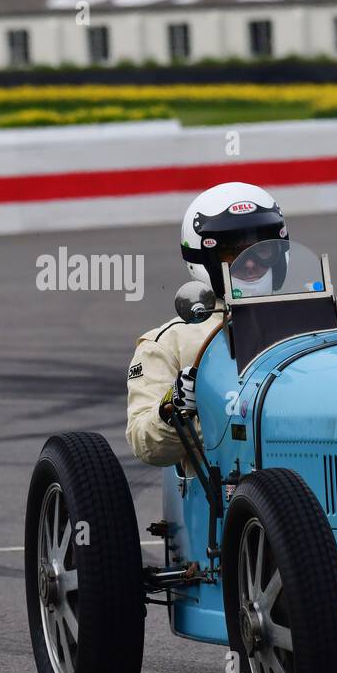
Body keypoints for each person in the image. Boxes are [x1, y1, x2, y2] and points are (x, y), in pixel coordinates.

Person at [125, 182, 286, 467]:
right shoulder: (169, 342)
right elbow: (144, 443)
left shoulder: (310, 322)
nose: (248, 263)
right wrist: (172, 405)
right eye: (231, 253)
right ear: (203, 260)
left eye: (260, 250)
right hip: (222, 489)